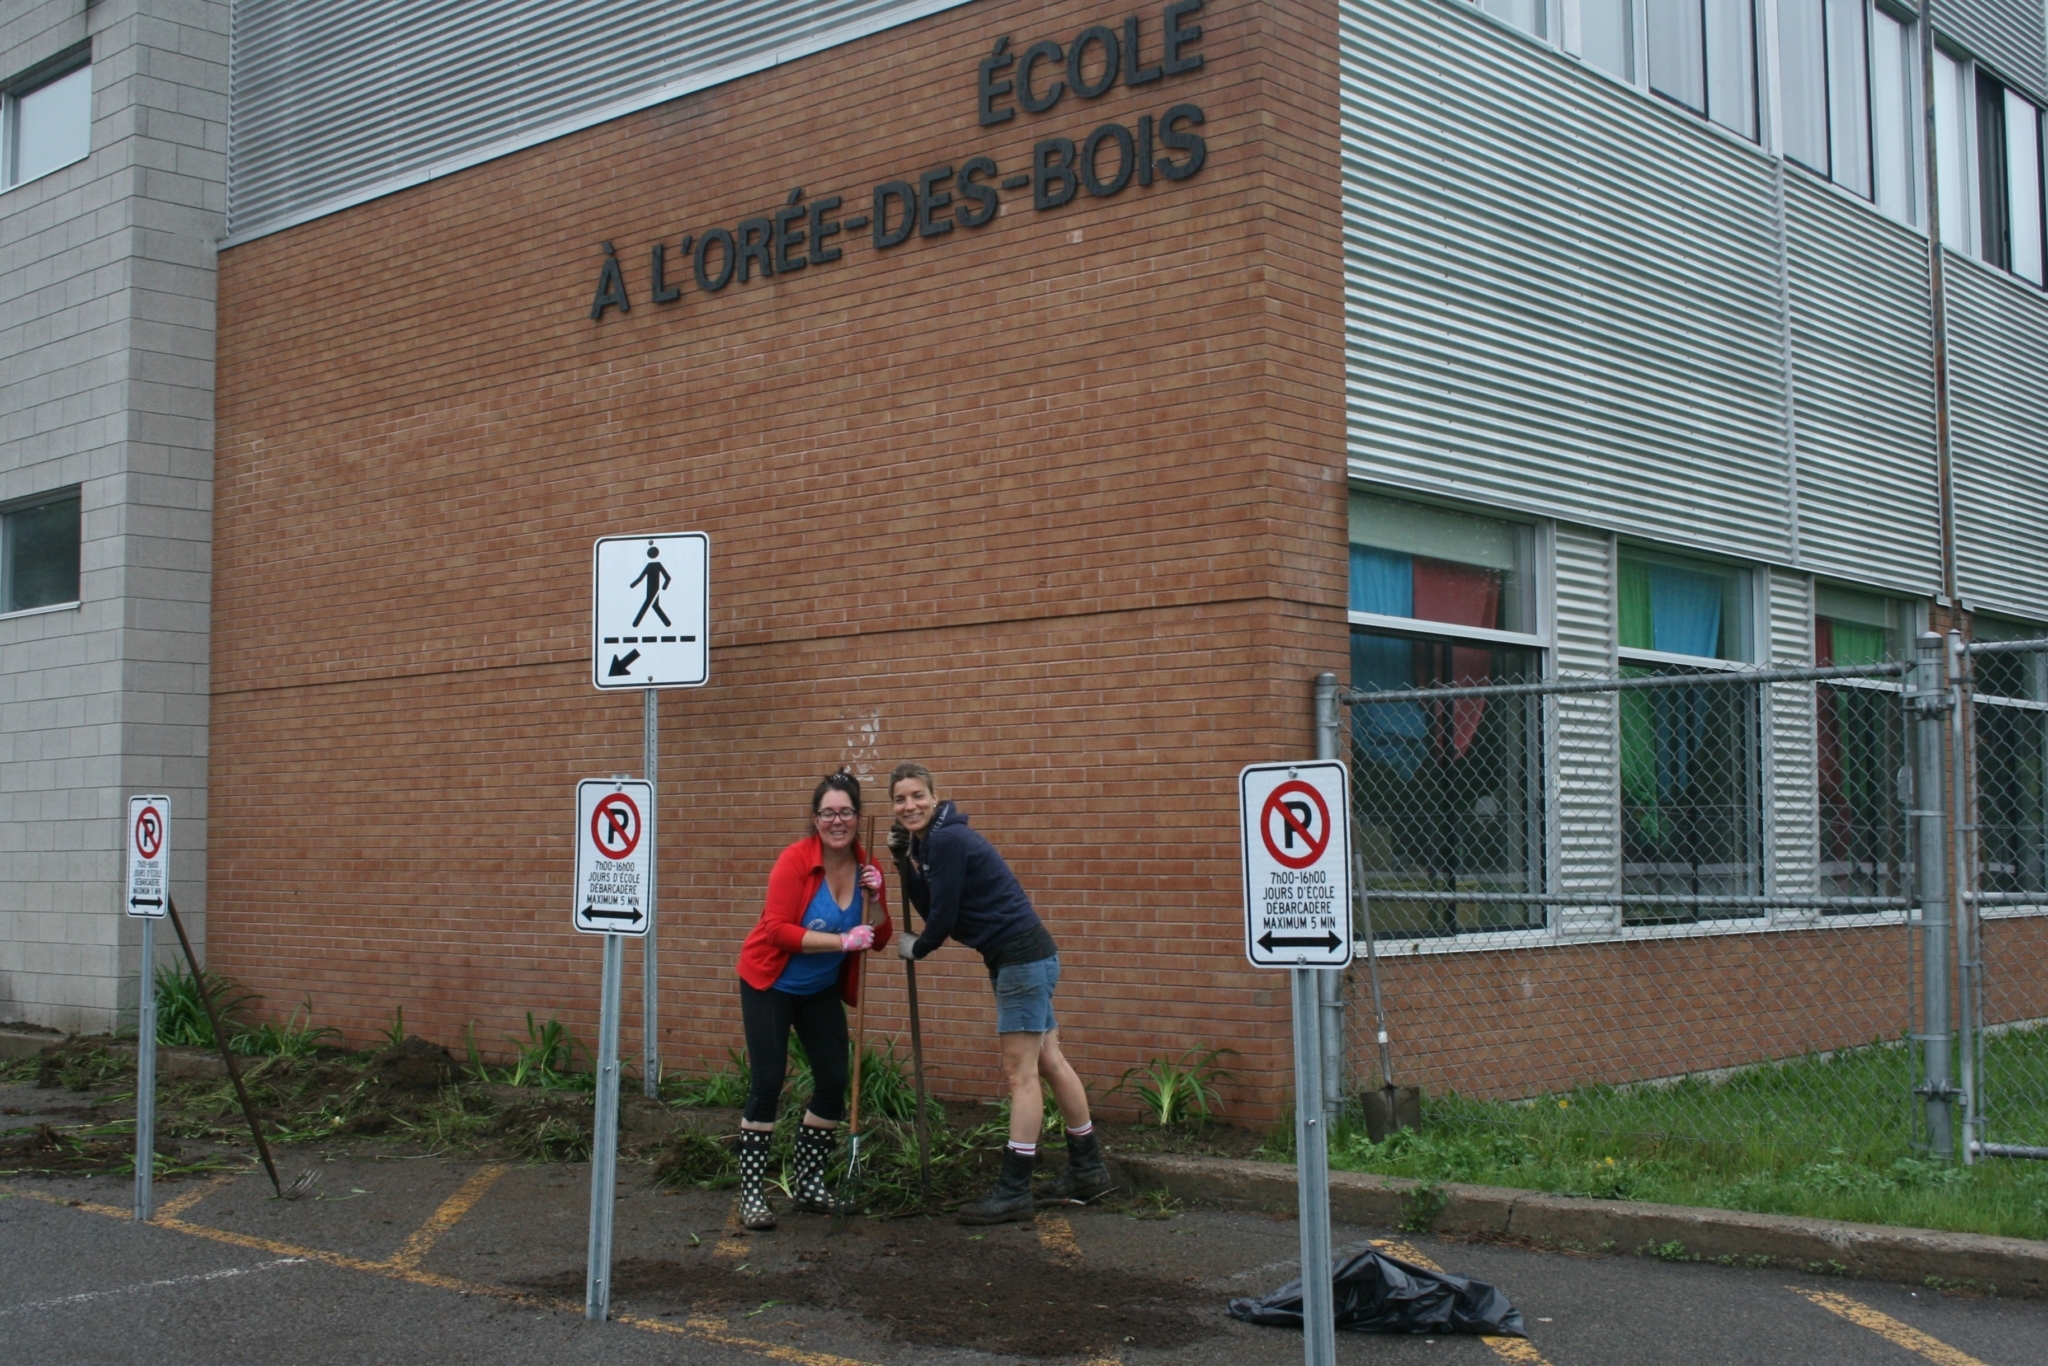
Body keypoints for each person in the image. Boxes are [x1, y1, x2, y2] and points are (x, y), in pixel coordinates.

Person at [887, 762, 1112, 1223]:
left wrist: (920, 948)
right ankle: (1089, 1170)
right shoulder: (930, 843)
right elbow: (931, 902)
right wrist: (902, 865)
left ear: (935, 795)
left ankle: (1013, 1190)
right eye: (899, 799)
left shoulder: (946, 840)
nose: (909, 805)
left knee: (1020, 1073)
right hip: (1026, 955)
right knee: (1049, 1061)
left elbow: (942, 918)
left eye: (917, 796)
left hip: (1021, 960)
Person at [733, 771, 893, 1229]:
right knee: (767, 1082)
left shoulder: (867, 864)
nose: (836, 820)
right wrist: (842, 942)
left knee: (833, 1079)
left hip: (818, 988)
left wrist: (876, 897)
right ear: (815, 818)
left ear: (858, 817)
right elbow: (776, 931)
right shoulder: (795, 860)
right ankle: (751, 1195)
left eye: (845, 811)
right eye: (827, 813)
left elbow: (878, 938)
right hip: (770, 982)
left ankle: (807, 1183)